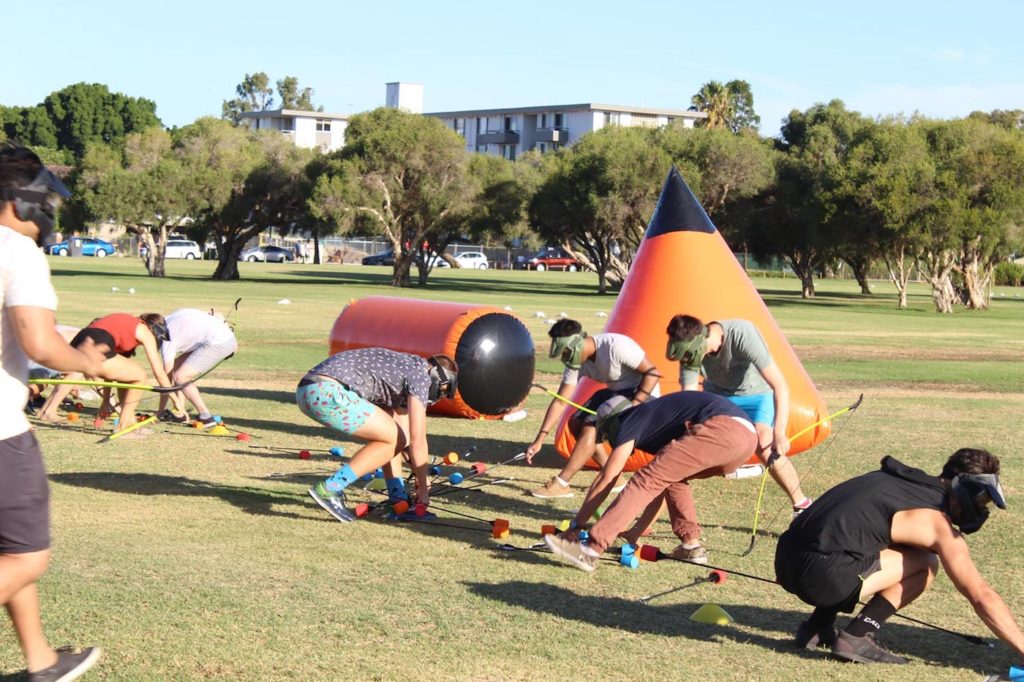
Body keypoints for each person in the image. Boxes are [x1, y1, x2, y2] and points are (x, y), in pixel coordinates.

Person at [1, 143, 104, 680]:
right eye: (45, 198)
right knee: (25, 558)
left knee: (8, 547)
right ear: (20, 201)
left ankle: (40, 662)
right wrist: (93, 363)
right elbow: (41, 345)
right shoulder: (17, 253)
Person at [775, 449, 1024, 665]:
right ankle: (856, 637)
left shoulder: (893, 481)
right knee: (925, 564)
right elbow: (980, 595)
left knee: (868, 546)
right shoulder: (933, 521)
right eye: (982, 500)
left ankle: (818, 626)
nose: (982, 509)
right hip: (820, 576)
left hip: (786, 560)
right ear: (963, 488)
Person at [544, 392, 757, 571]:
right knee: (673, 479)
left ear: (612, 423)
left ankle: (591, 549)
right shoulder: (654, 421)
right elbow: (663, 484)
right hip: (746, 439)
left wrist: (577, 525)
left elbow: (608, 476)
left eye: (609, 436)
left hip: (722, 428)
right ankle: (691, 545)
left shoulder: (630, 418)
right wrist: (635, 532)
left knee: (645, 479)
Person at [666, 314, 811, 514]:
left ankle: (801, 504)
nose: (690, 361)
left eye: (693, 355)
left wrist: (779, 432)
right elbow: (689, 397)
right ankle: (734, 467)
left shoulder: (742, 334)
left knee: (764, 444)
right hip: (718, 398)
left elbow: (780, 386)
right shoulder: (690, 351)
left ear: (702, 340)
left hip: (756, 395)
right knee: (695, 443)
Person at [297, 348, 458, 522]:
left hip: (310, 390)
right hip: (327, 393)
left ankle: (397, 499)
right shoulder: (421, 377)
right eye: (441, 389)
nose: (437, 396)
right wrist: (424, 488)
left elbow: (403, 441)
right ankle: (330, 488)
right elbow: (417, 439)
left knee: (393, 436)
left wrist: (418, 478)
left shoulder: (406, 368)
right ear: (435, 375)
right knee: (394, 437)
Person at [526, 319, 661, 499]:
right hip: (616, 392)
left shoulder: (616, 346)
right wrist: (539, 439)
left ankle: (561, 483)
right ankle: (615, 477)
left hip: (643, 394)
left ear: (576, 344)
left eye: (566, 352)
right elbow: (560, 401)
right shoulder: (576, 361)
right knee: (575, 423)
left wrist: (635, 406)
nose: (565, 358)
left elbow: (652, 373)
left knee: (591, 426)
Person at [38, 312, 184, 431]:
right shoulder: (144, 330)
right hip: (98, 340)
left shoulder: (126, 325)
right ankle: (125, 426)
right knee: (140, 376)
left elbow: (110, 376)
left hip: (82, 338)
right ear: (153, 329)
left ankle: (47, 411)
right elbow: (159, 372)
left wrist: (106, 401)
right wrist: (176, 401)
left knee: (78, 373)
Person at [155, 308, 237, 427]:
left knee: (181, 376)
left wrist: (160, 410)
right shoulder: (170, 318)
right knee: (177, 371)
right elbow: (216, 315)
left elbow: (165, 380)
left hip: (219, 342)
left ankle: (206, 417)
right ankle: (180, 412)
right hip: (220, 338)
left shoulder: (167, 338)